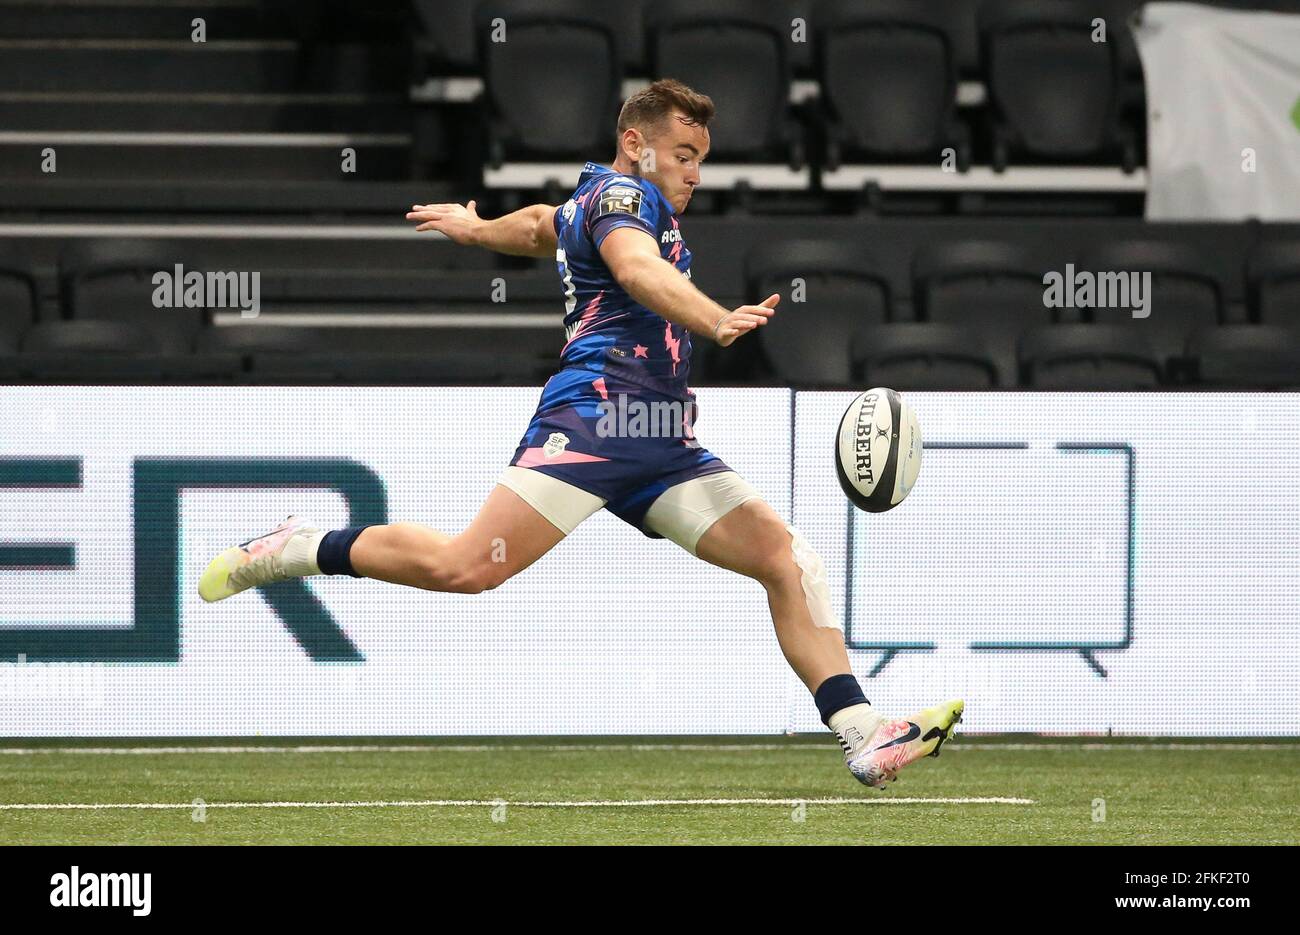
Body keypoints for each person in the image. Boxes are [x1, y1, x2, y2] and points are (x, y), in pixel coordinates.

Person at [198, 78, 961, 788]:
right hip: (595, 418)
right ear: (637, 143)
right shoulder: (627, 197)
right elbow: (635, 273)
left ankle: (862, 732)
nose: (695, 174)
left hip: (662, 438)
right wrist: (713, 317)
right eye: (685, 156)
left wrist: (474, 228)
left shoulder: (596, 199)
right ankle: (300, 546)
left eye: (702, 160)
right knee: (469, 568)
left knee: (788, 561)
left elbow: (541, 226)